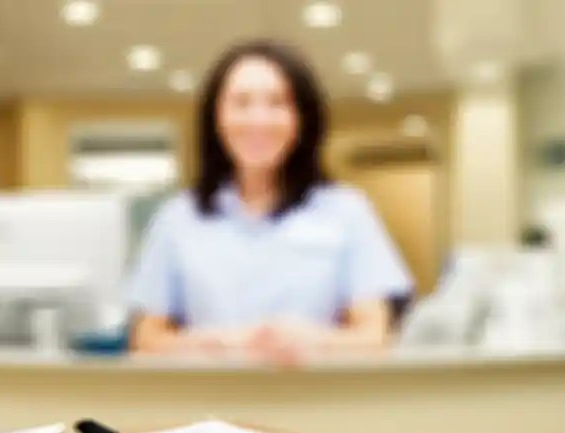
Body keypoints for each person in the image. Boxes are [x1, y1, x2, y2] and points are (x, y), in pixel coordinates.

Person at [127, 40, 413, 363]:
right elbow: (146, 340)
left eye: (278, 103)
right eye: (241, 102)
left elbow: (376, 339)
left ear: (302, 119)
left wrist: (310, 340)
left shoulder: (347, 212)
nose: (258, 120)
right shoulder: (178, 218)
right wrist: (223, 342)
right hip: (209, 404)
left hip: (316, 403)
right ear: (216, 117)